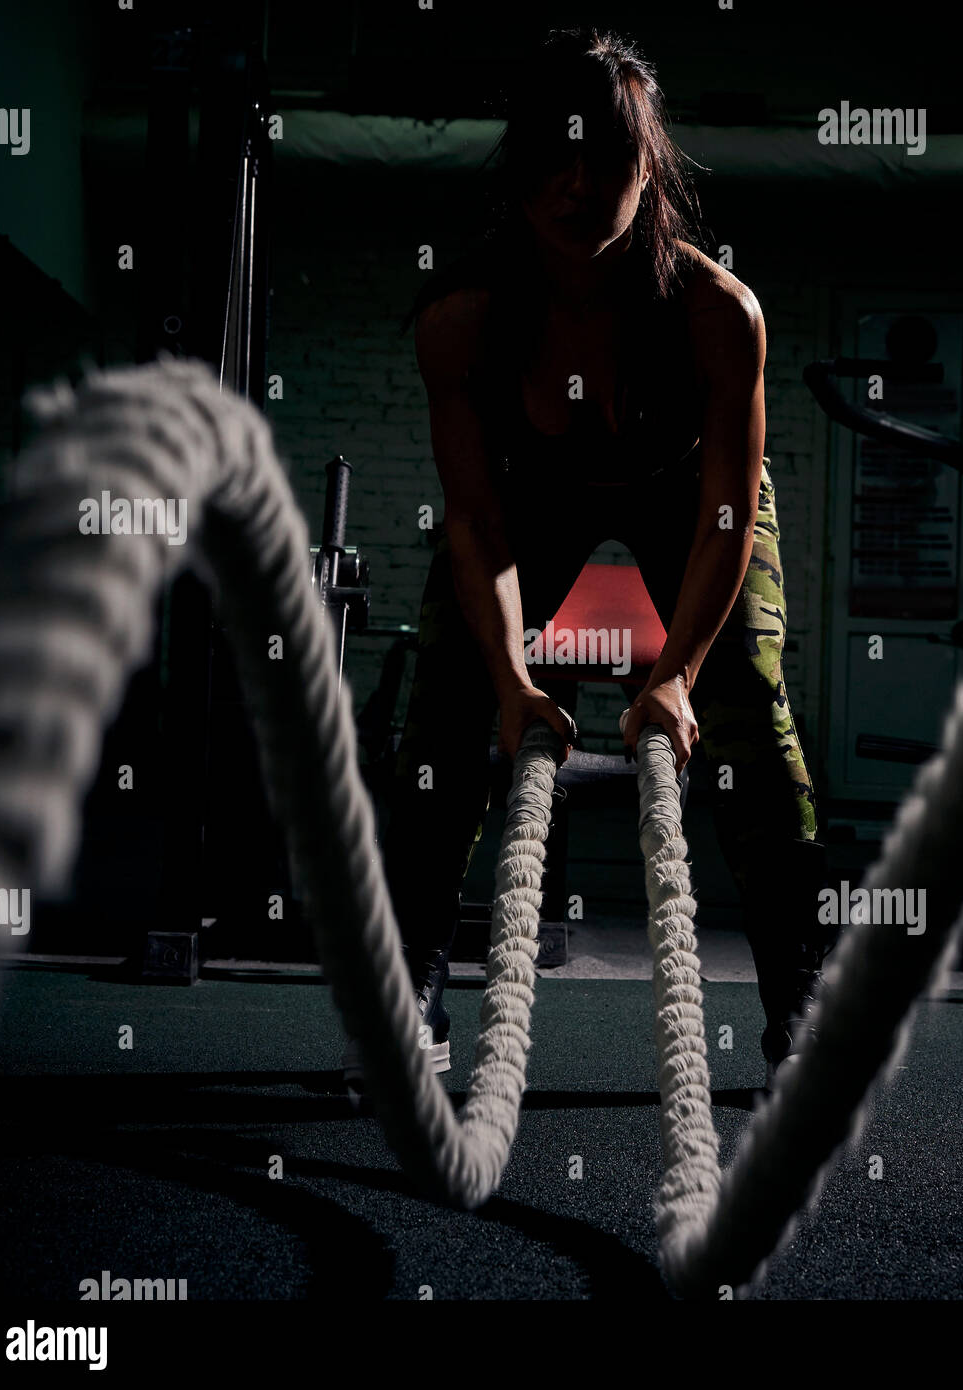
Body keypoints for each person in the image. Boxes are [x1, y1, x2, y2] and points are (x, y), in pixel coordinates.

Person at [347, 26, 829, 1100]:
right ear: (518, 170)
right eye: (552, 157)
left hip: (689, 495)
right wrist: (517, 684)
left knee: (749, 703)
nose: (577, 184)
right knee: (447, 713)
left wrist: (675, 675)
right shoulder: (461, 321)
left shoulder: (717, 315)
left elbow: (721, 518)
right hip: (526, 499)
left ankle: (802, 1004)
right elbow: (472, 522)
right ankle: (410, 992)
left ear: (645, 165)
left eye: (606, 156)